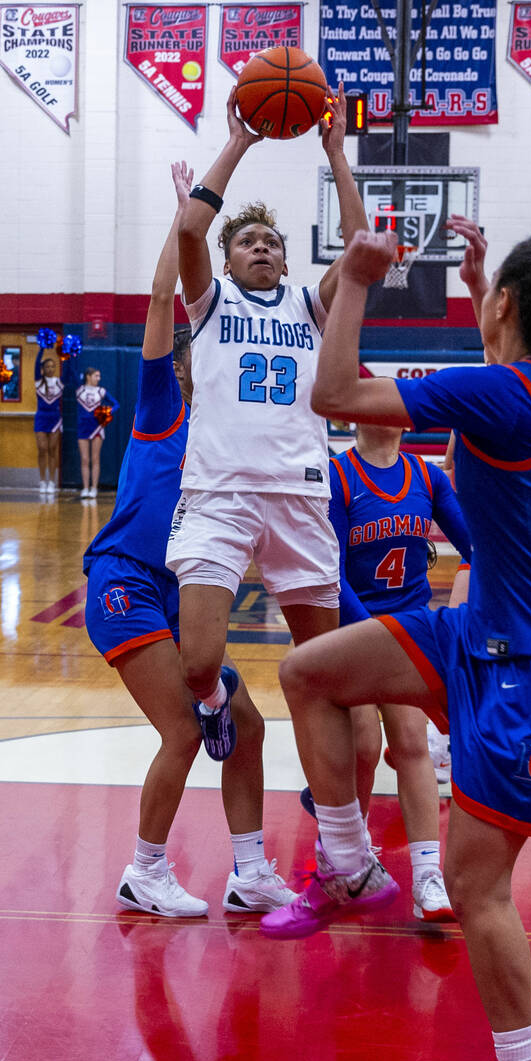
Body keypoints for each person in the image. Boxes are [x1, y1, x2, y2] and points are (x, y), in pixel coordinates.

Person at [263, 219, 531, 1061]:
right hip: (481, 634)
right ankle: (351, 863)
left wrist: (354, 281)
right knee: (309, 673)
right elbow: (492, 357)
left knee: (478, 888)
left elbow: (336, 392)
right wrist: (481, 275)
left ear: (511, 309)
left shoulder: (507, 395)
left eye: (490, 298)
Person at [83, 162, 295, 918]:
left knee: (248, 725)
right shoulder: (164, 410)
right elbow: (158, 300)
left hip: (181, 603)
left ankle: (248, 871)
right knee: (182, 728)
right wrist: (188, 225)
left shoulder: (241, 435)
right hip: (127, 585)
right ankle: (144, 871)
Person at [165, 82, 371, 768]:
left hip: (299, 493)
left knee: (323, 670)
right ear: (228, 260)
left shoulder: (311, 307)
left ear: (286, 258)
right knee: (197, 662)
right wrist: (241, 141)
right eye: (247, 241)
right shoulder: (210, 302)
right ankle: (218, 699)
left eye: (271, 242)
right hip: (219, 492)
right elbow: (190, 229)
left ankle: (342, 832)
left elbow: (362, 247)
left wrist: (336, 155)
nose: (260, 247)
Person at [302, 423, 472, 920]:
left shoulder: (427, 476)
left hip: (409, 629)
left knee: (412, 744)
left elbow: (475, 543)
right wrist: (372, 634)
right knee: (362, 749)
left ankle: (427, 877)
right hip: (351, 627)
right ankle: (347, 860)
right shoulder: (338, 475)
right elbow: (328, 567)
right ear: (353, 417)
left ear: (405, 421)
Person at [76, 366, 118, 498]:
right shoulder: (79, 390)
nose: (98, 379)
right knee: (84, 459)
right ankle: (85, 488)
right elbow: (71, 373)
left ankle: (94, 488)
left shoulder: (101, 391)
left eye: (99, 376)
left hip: (97, 428)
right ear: (88, 376)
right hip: (83, 427)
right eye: (96, 376)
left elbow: (116, 404)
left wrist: (106, 412)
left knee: (95, 458)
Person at [34, 349, 64, 497]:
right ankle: (42, 480)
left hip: (55, 418)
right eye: (48, 366)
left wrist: (67, 355)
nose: (50, 369)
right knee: (42, 448)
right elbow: (35, 364)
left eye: (53, 366)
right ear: (43, 369)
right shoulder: (38, 382)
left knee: (52, 449)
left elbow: (70, 370)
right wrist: (42, 348)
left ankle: (52, 481)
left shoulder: (59, 382)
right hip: (41, 417)